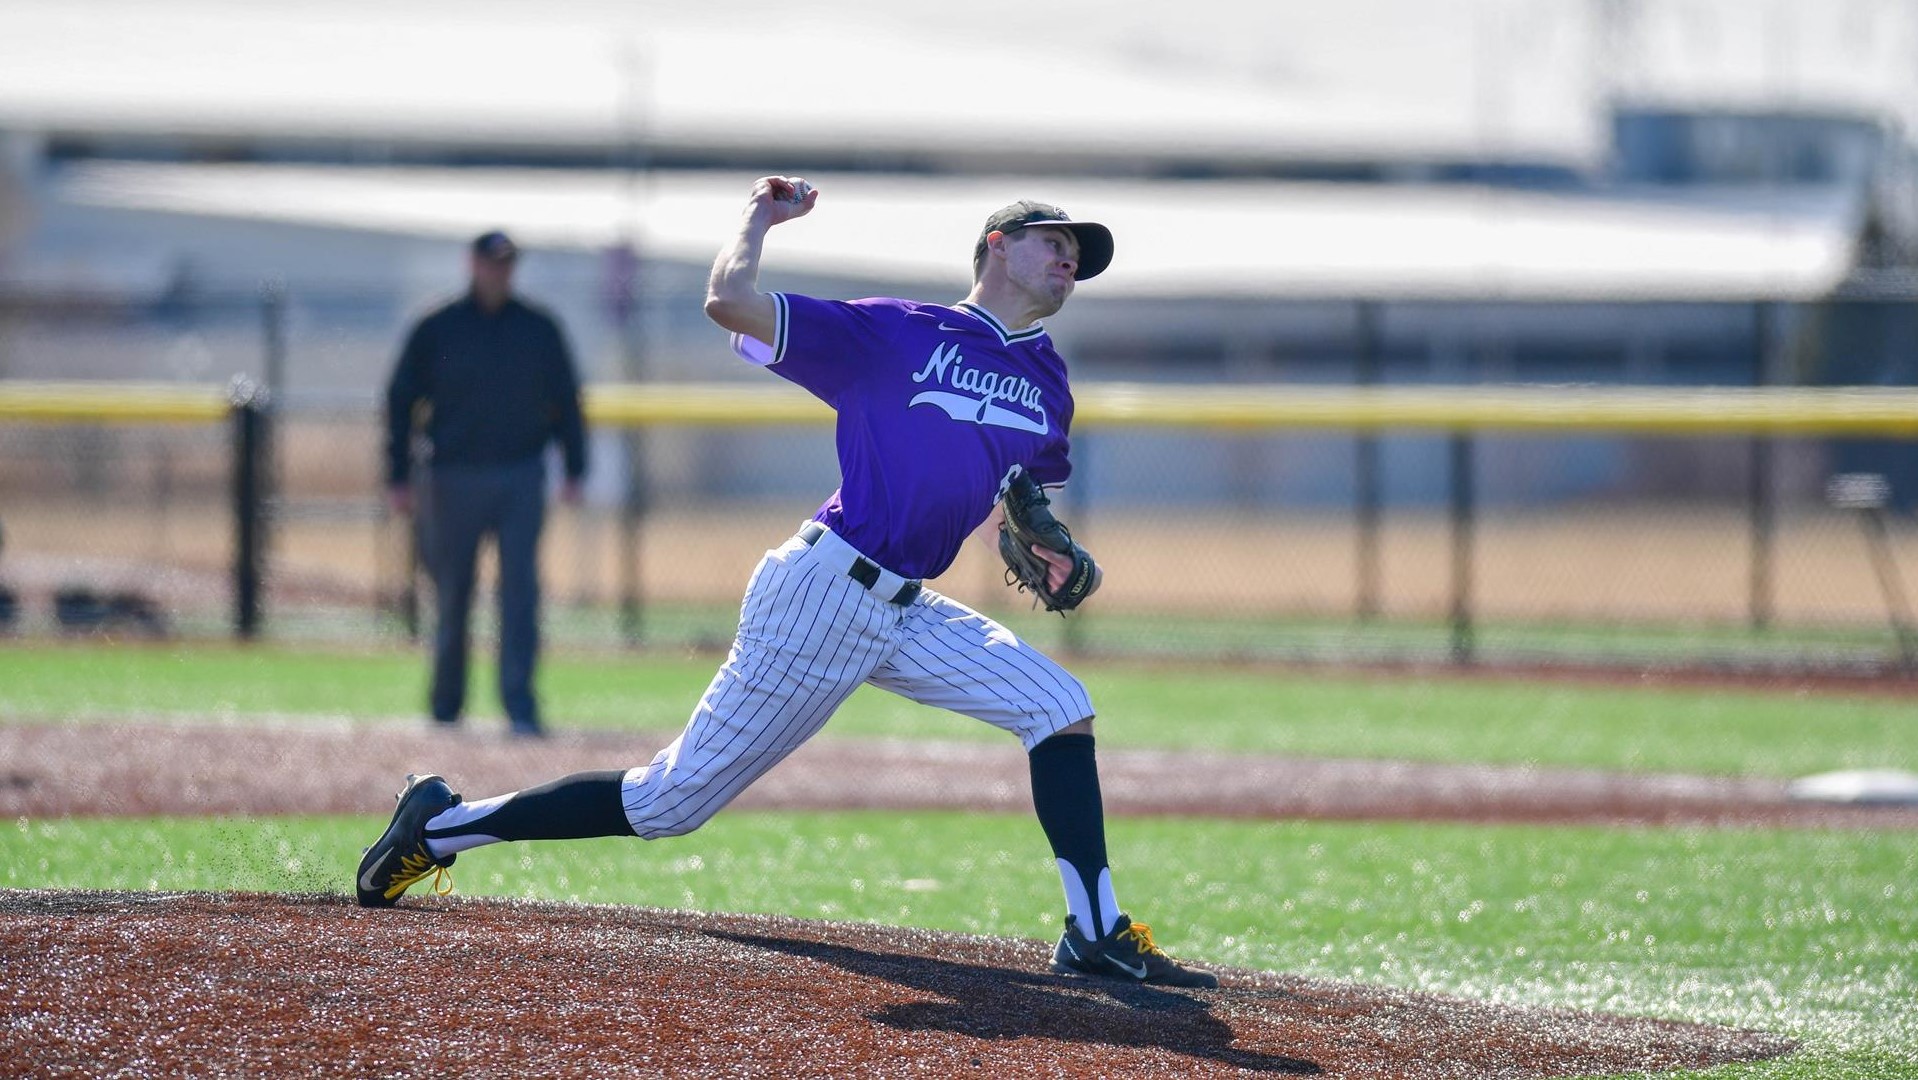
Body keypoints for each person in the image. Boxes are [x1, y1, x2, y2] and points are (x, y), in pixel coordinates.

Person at [356, 179, 1216, 988]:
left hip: (911, 609)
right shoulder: (896, 331)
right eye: (1053, 242)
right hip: (823, 594)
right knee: (669, 803)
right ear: (997, 246)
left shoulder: (1048, 380)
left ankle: (1094, 932)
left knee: (1059, 706)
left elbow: (1017, 487)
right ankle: (438, 824)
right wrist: (759, 222)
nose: (1069, 261)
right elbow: (728, 303)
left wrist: (1037, 536)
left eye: (1079, 255)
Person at [384, 230, 587, 738]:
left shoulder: (538, 327)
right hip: (451, 476)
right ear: (472, 264)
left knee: (520, 593)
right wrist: (397, 475)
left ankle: (520, 707)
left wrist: (575, 468)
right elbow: (399, 399)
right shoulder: (437, 326)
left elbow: (567, 398)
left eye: (507, 264)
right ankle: (446, 709)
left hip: (520, 473)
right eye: (492, 263)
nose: (499, 273)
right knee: (453, 594)